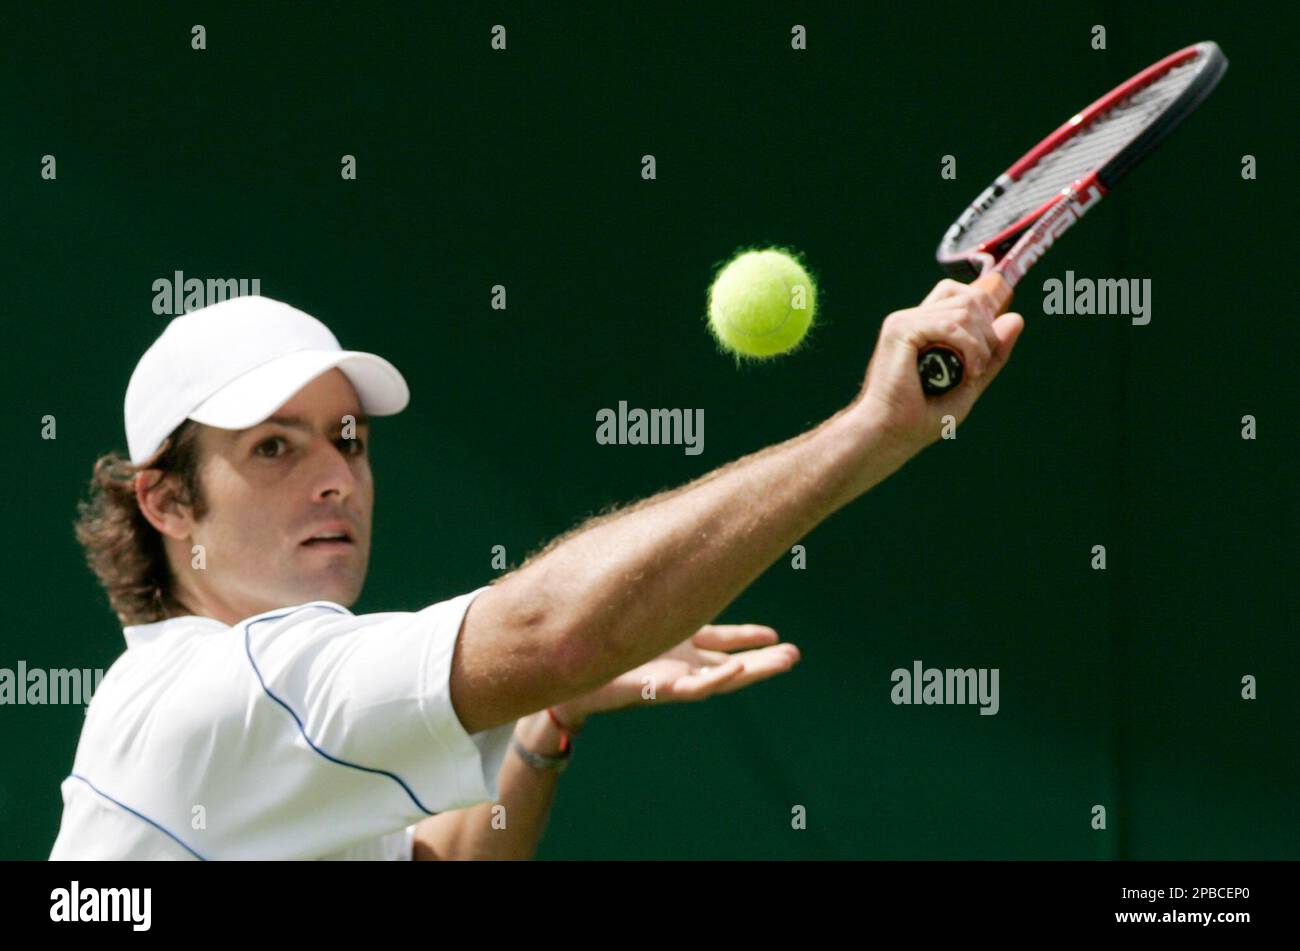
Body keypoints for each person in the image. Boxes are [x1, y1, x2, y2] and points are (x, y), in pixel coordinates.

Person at [50, 282, 1021, 860]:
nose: (336, 478)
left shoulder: (250, 724)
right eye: (274, 448)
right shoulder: (230, 691)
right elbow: (553, 629)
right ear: (167, 503)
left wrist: (546, 719)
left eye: (346, 439)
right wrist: (870, 432)